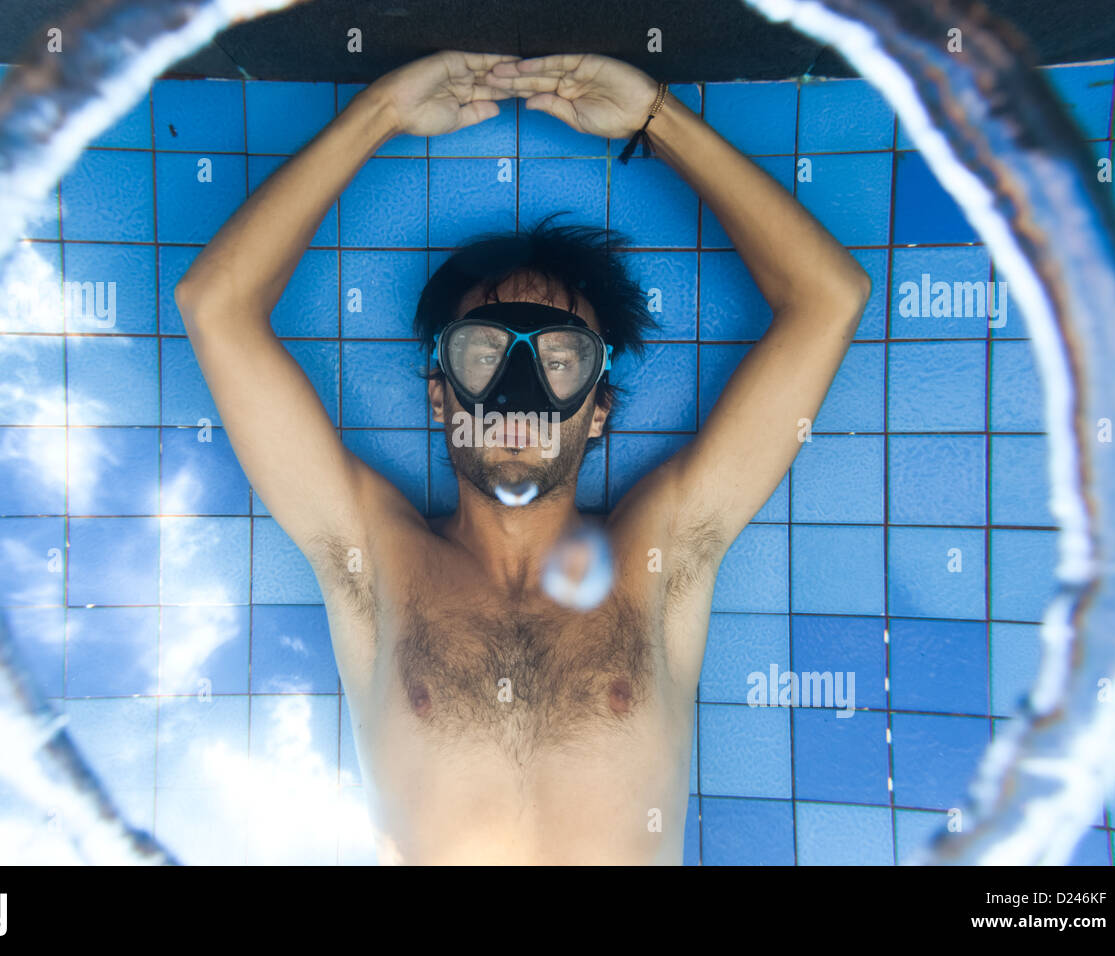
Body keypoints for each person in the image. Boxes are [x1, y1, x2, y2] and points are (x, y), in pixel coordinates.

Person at [175, 50, 870, 864]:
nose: (517, 394)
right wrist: (378, 113)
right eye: (483, 355)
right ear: (441, 395)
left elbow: (830, 298)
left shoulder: (662, 559)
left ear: (599, 407)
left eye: (561, 360)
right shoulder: (374, 564)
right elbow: (213, 305)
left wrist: (658, 117)